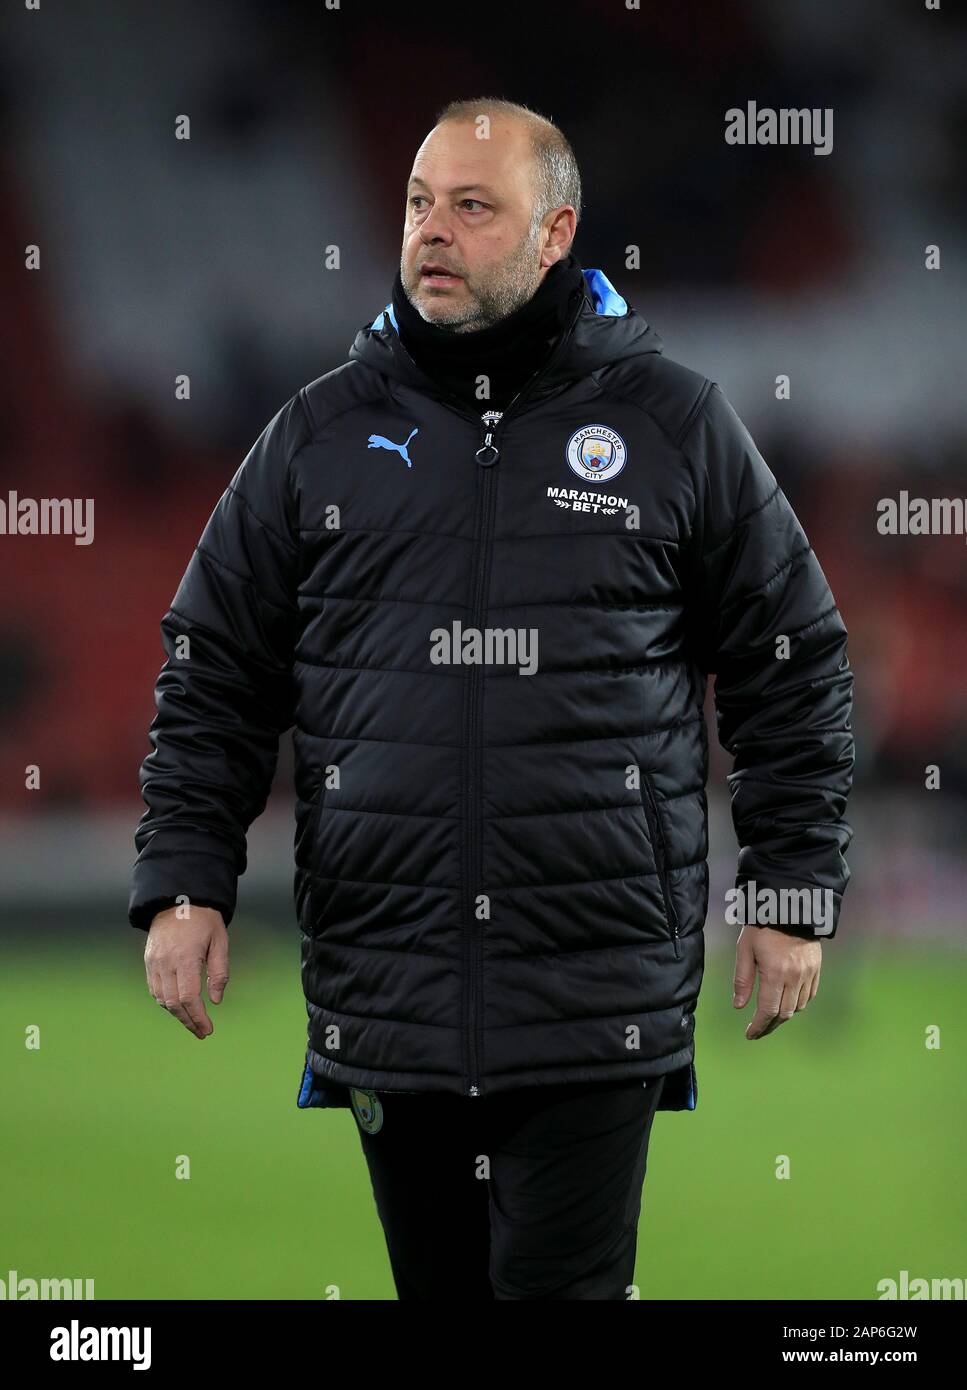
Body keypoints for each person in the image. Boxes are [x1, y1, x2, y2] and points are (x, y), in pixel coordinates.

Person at [129, 97, 854, 1300]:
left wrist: (788, 888)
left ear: (555, 231)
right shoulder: (317, 434)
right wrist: (188, 881)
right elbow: (214, 668)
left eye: (474, 207)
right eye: (420, 203)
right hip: (390, 987)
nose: (432, 231)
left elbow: (795, 661)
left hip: (593, 994)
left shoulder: (673, 427)